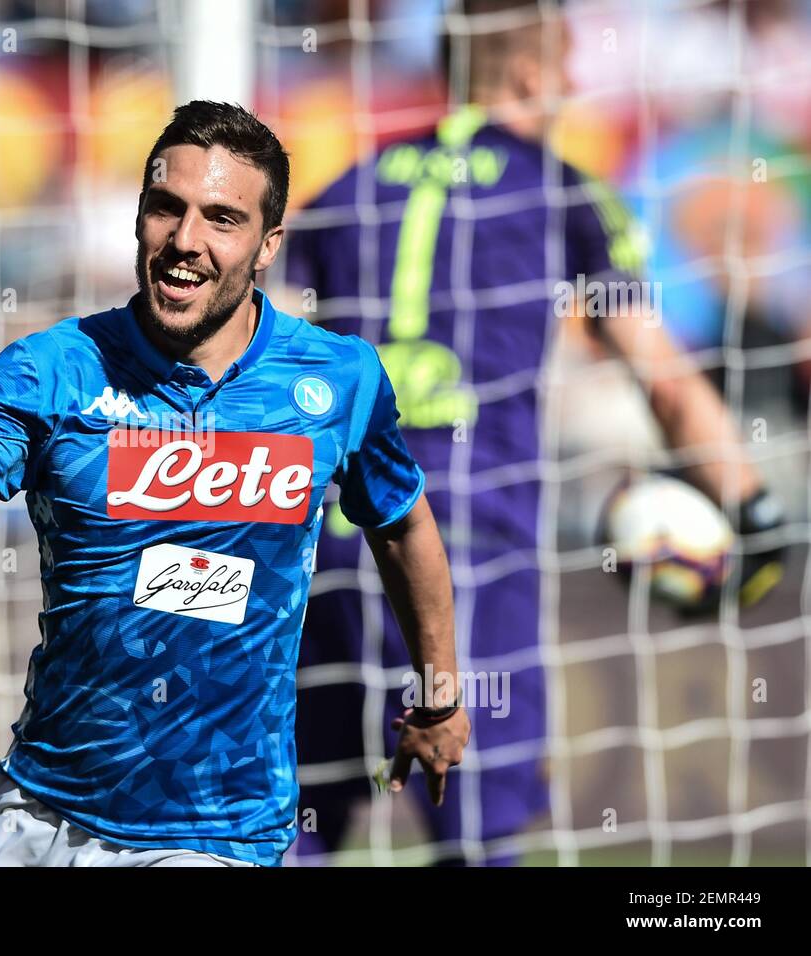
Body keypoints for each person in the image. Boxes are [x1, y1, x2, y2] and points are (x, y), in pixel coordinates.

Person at [0, 100, 469, 867]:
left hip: (216, 833)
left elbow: (401, 524)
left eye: (222, 219)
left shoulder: (338, 380)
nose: (185, 242)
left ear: (268, 246)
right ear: (138, 217)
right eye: (167, 208)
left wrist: (439, 693)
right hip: (36, 814)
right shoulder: (53, 369)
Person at [285, 0, 786, 865]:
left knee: (295, 831)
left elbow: (265, 356)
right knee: (479, 841)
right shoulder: (563, 190)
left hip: (331, 548)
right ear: (528, 75)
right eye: (565, 74)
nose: (572, 90)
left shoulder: (346, 191)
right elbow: (662, 381)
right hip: (471, 551)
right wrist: (755, 509)